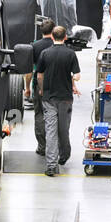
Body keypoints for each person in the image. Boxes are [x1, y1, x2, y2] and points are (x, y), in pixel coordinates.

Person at [35, 24, 81, 177]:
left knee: (51, 131)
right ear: (65, 37)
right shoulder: (71, 54)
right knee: (64, 129)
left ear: (53, 37)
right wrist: (73, 81)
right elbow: (77, 75)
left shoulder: (45, 53)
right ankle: (64, 155)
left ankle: (51, 166)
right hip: (66, 99)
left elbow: (39, 75)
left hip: (49, 98)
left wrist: (41, 89)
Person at [27, 19, 56, 157]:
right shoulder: (58, 45)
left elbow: (28, 71)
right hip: (56, 86)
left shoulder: (34, 46)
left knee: (39, 115)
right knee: (55, 115)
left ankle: (42, 146)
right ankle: (55, 147)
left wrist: (27, 88)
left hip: (38, 84)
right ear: (54, 30)